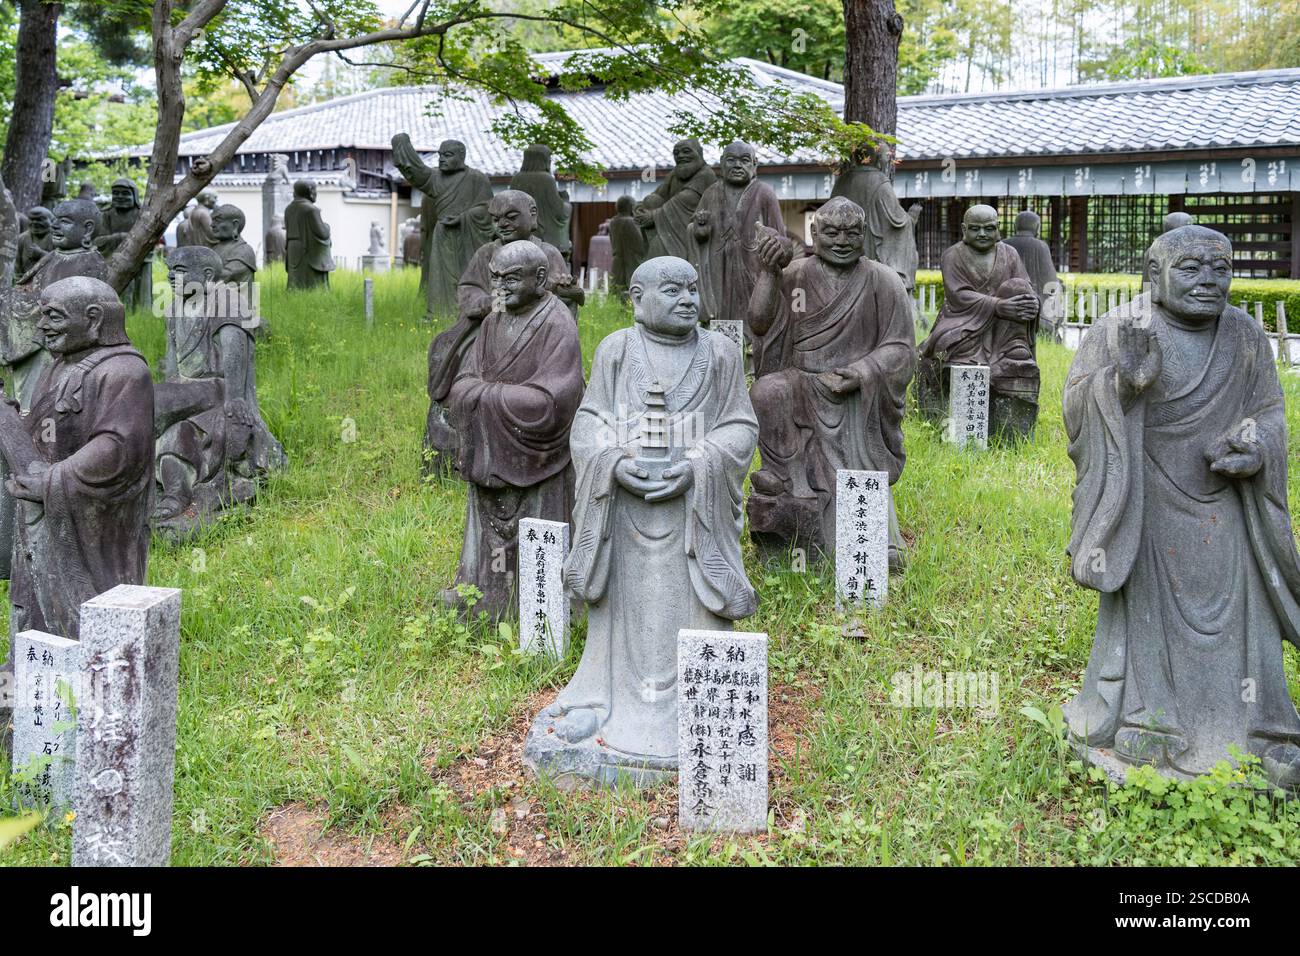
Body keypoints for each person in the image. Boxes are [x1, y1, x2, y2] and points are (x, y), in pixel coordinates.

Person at [1063, 224, 1300, 791]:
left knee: (1248, 611)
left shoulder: (1244, 335)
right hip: (1144, 500)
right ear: (1153, 274)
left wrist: (1256, 447)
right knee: (1148, 605)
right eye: (1191, 268)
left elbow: (1269, 412)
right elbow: (1075, 412)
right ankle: (1150, 716)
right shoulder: (1121, 328)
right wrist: (1121, 385)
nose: (1209, 281)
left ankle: (1262, 727)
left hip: (1231, 503)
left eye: (1221, 268)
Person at [524, 255, 758, 787]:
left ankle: (696, 707)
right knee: (619, 614)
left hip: (693, 520)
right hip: (624, 513)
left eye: (694, 290)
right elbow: (589, 423)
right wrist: (615, 463)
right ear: (636, 298)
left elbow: (741, 426)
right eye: (672, 291)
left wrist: (699, 465)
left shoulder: (720, 354)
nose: (688, 300)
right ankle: (604, 698)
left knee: (694, 612)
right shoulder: (616, 351)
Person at [745, 197, 915, 566]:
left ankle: (871, 537)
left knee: (853, 429)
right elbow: (758, 324)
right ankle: (786, 479)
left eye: (852, 233)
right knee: (766, 393)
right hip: (802, 379)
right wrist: (769, 271)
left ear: (865, 235)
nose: (842, 241)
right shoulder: (795, 275)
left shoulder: (882, 282)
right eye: (832, 232)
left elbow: (901, 349)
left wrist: (864, 371)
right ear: (815, 234)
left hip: (855, 390)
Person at [0, 276, 152, 646]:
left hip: (91, 514)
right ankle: (29, 670)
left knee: (87, 605)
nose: (42, 326)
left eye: (53, 317)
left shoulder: (125, 373)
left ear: (94, 318)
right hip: (43, 507)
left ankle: (93, 661)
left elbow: (118, 449)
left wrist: (55, 478)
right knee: (33, 596)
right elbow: (50, 428)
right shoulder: (59, 365)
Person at [443, 240, 584, 620]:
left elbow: (556, 398)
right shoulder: (492, 321)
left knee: (540, 533)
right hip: (494, 444)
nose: (499, 288)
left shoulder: (557, 322)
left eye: (509, 279)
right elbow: (465, 380)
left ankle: (547, 603)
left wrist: (484, 397)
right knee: (486, 537)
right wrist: (479, 395)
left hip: (540, 450)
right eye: (494, 279)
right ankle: (481, 592)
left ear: (540, 278)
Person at [916, 203, 1040, 439]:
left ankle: (1013, 348)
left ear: (998, 228)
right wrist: (997, 306)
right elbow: (958, 295)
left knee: (1018, 287)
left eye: (988, 228)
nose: (982, 234)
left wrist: (1031, 302)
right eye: (975, 229)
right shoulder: (953, 255)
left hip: (1004, 327)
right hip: (963, 320)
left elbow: (1024, 286)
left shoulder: (1009, 253)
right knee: (946, 343)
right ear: (964, 229)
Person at [391, 134, 494, 319]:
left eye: (447, 155)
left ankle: (471, 310)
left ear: (461, 156)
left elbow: (487, 208)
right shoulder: (435, 178)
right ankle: (439, 313)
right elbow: (416, 171)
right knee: (441, 277)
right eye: (440, 155)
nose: (442, 159)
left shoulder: (477, 179)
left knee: (469, 273)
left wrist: (463, 218)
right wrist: (402, 146)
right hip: (443, 235)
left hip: (469, 236)